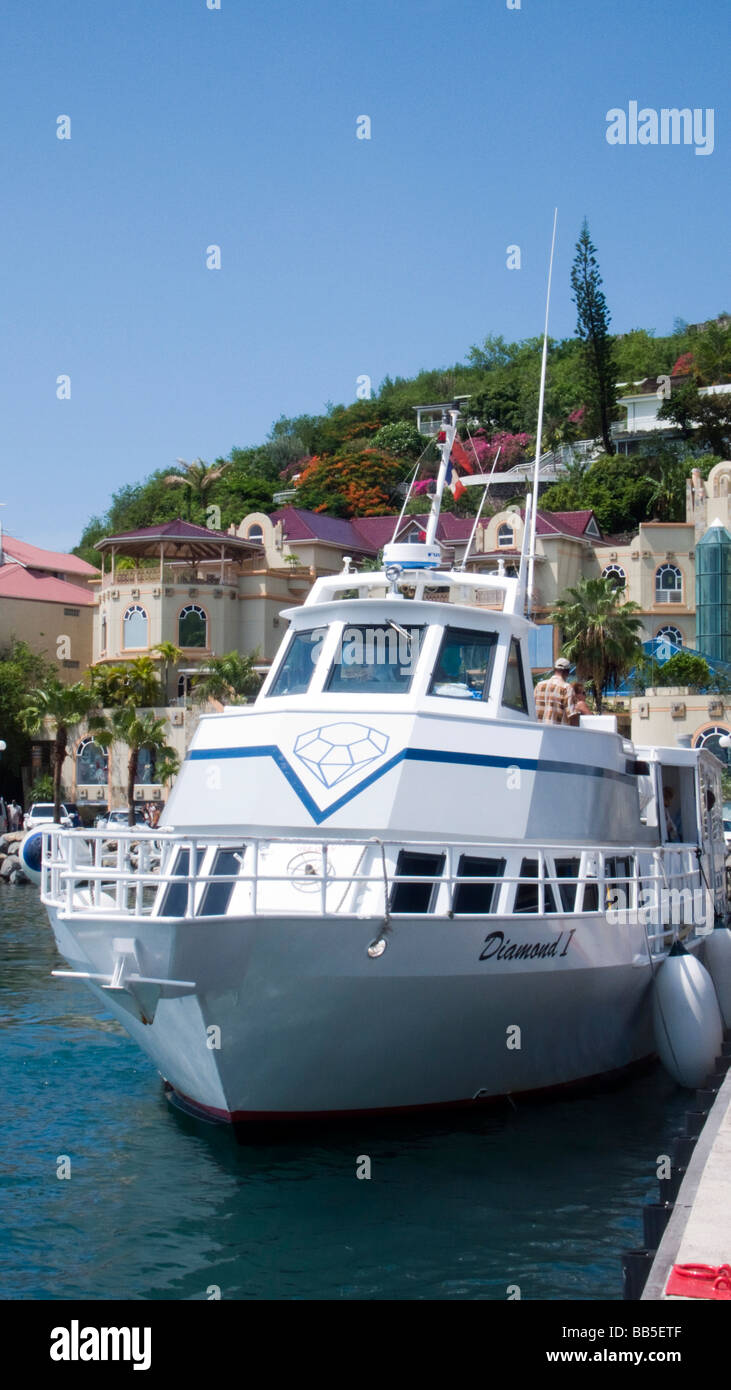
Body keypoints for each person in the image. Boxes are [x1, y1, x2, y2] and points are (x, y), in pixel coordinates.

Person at [534, 657, 573, 725]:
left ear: (554, 670)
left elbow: (532, 707)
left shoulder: (539, 685)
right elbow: (572, 714)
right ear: (567, 672)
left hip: (539, 731)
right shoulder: (566, 687)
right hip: (558, 733)